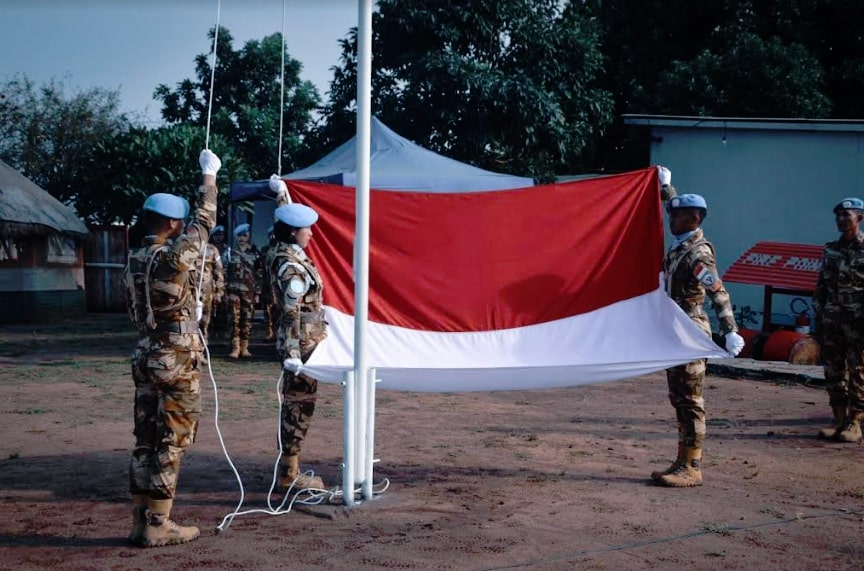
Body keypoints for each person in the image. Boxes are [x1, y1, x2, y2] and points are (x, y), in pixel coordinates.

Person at [123, 149, 221, 547]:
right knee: (173, 438)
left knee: (145, 438)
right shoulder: (174, 255)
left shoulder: (133, 257)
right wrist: (209, 179)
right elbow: (206, 221)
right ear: (170, 222)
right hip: (176, 356)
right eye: (178, 221)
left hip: (144, 353)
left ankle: (138, 520)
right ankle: (159, 523)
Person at [653, 165, 744, 487]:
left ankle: (693, 466)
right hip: (675, 331)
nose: (670, 219)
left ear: (694, 219)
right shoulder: (682, 246)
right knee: (678, 396)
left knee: (691, 399)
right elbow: (671, 205)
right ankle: (682, 459)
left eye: (678, 216)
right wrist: (668, 188)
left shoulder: (698, 254)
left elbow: (717, 291)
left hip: (691, 331)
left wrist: (730, 329)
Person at [268, 174, 327, 490]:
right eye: (307, 229)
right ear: (293, 231)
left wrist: (282, 195)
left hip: (305, 342)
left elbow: (285, 216)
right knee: (298, 407)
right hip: (301, 345)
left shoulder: (280, 249)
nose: (311, 233)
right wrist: (292, 353)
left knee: (298, 404)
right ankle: (289, 474)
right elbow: (291, 314)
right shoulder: (291, 267)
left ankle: (289, 468)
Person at [812, 197, 864, 443]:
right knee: (833, 370)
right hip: (832, 320)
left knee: (858, 371)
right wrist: (819, 315)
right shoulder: (831, 249)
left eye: (847, 215)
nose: (842, 219)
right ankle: (838, 419)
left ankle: (855, 421)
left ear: (859, 218)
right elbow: (822, 285)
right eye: (839, 215)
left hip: (858, 322)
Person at [224, 222, 261, 358]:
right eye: (239, 236)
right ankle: (235, 347)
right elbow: (224, 272)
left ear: (248, 236)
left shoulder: (255, 252)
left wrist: (257, 292)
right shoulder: (229, 252)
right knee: (234, 319)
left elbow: (259, 273)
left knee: (247, 319)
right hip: (233, 291)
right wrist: (224, 292)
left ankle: (245, 347)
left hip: (249, 292)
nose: (242, 238)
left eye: (244, 235)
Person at [195, 233, 224, 344]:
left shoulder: (212, 249)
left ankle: (203, 344)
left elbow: (219, 271)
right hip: (190, 289)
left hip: (206, 289)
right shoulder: (187, 248)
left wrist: (219, 291)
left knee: (205, 319)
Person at [260, 225, 281, 342]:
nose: (273, 237)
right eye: (271, 235)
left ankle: (278, 332)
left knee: (278, 309)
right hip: (267, 283)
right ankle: (270, 331)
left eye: (274, 234)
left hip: (278, 284)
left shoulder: (281, 249)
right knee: (267, 309)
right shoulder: (264, 249)